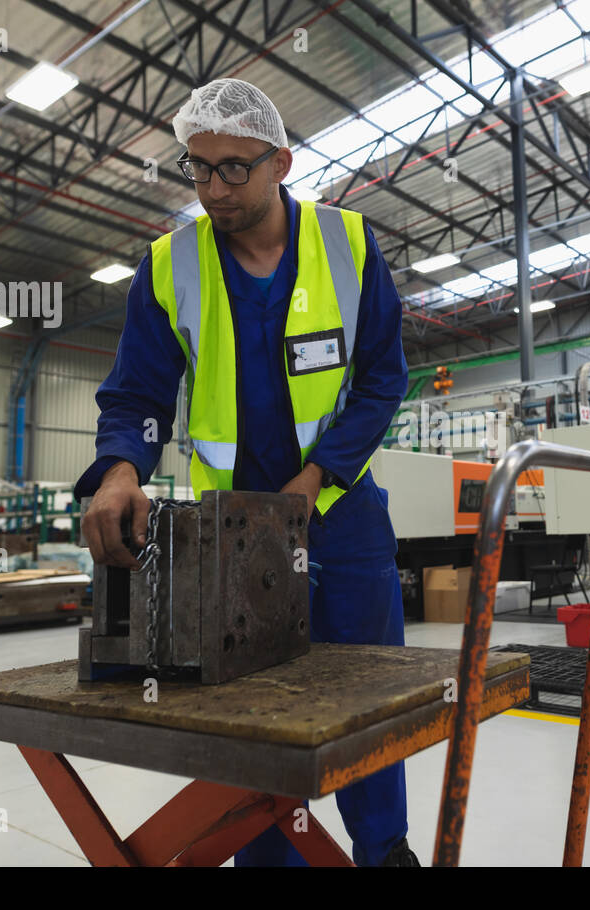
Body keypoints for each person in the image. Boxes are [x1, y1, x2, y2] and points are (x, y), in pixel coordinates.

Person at [75, 78, 416, 867]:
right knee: (248, 721)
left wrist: (318, 477)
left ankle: (380, 850)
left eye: (235, 168)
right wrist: (122, 467)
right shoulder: (170, 264)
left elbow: (381, 380)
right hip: (228, 533)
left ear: (280, 164)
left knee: (366, 701)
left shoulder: (351, 245)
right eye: (197, 168)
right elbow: (138, 392)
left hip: (343, 517)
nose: (213, 189)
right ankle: (271, 859)